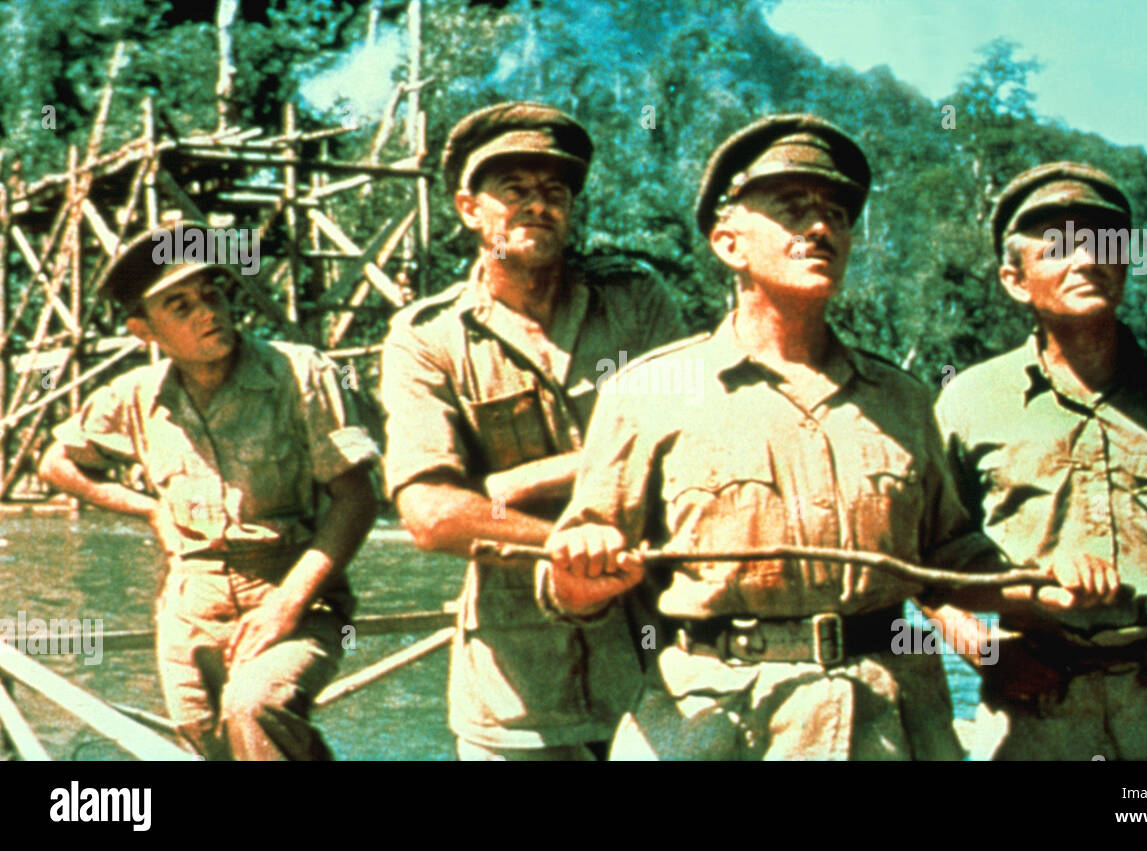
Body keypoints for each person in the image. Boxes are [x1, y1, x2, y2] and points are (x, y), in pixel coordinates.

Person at [541, 114, 1016, 760]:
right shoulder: (648, 391)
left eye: (838, 215)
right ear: (728, 241)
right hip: (716, 720)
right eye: (794, 210)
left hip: (886, 722)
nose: (822, 228)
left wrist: (1053, 584)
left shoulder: (902, 401)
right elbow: (570, 583)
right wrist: (581, 567)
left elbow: (951, 560)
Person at [930, 162, 1147, 759]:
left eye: (1104, 244)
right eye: (1058, 248)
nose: (1087, 259)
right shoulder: (969, 402)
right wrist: (985, 652)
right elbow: (925, 559)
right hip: (1034, 692)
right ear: (1015, 280)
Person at [379, 102, 686, 761]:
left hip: (662, 665)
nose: (537, 205)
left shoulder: (636, 301)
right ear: (468, 208)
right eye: (513, 190)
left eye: (554, 192)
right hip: (518, 689)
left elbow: (693, 442)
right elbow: (432, 514)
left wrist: (508, 485)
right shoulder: (428, 337)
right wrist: (577, 546)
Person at [39, 221, 379, 760]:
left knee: (256, 709)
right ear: (142, 330)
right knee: (211, 747)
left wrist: (284, 609)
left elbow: (359, 498)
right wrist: (149, 510)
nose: (207, 311)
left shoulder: (300, 373)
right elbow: (56, 463)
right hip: (188, 610)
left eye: (211, 292)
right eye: (179, 305)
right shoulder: (135, 397)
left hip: (294, 595)